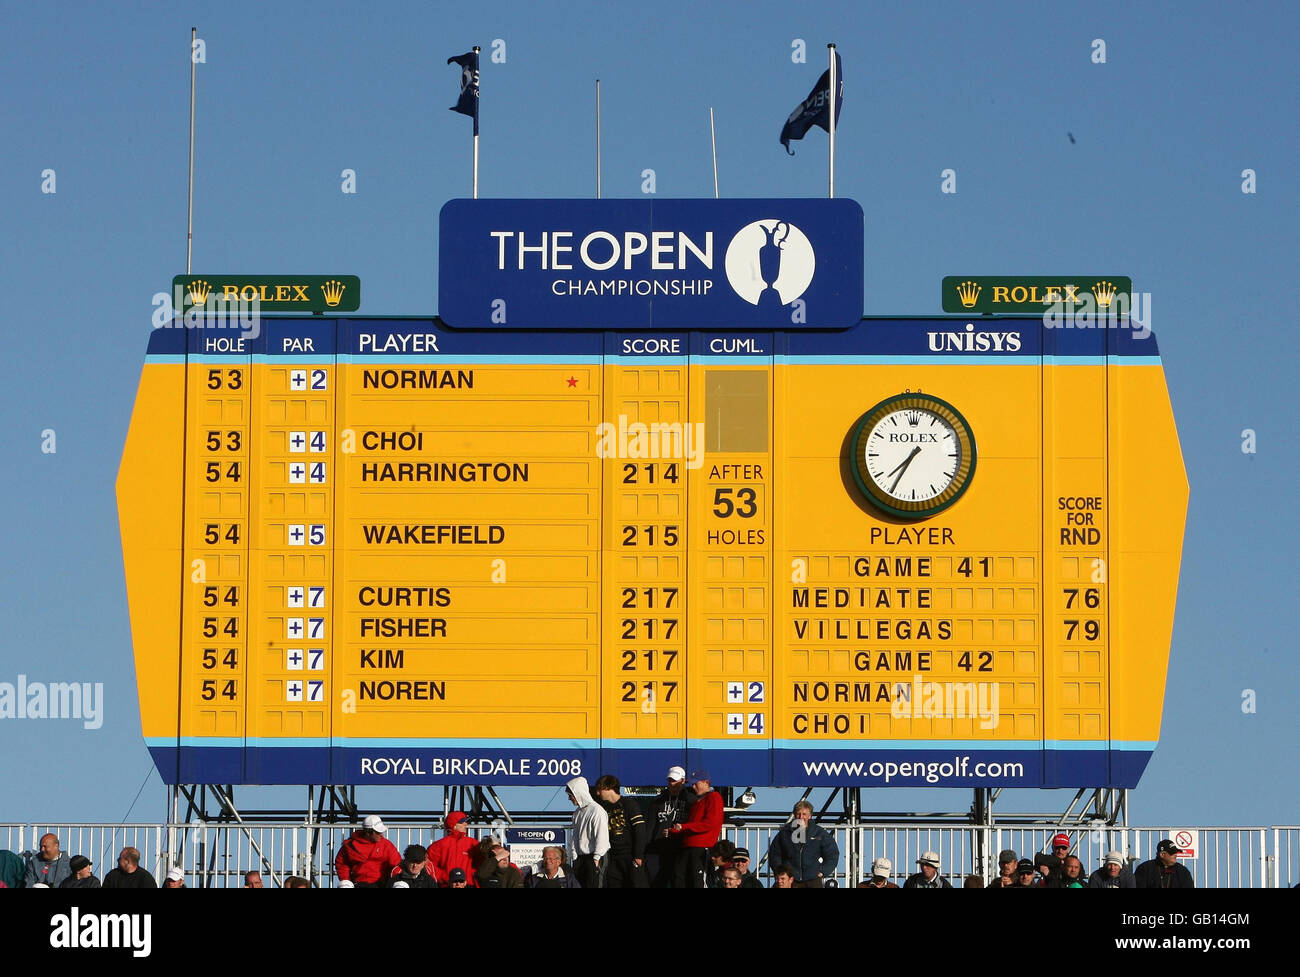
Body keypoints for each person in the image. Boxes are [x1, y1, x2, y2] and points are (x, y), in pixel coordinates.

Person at [765, 800, 839, 888]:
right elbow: (774, 854)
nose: (801, 817)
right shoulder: (785, 833)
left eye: (804, 814)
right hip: (792, 880)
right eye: (798, 814)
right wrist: (781, 872)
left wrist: (822, 871)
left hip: (813, 880)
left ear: (810, 815)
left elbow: (832, 854)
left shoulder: (819, 833)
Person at [669, 770, 723, 889]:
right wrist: (675, 832)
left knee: (697, 881)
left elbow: (710, 823)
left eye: (696, 783)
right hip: (687, 846)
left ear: (706, 782)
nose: (693, 787)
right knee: (679, 878)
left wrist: (684, 827)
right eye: (692, 784)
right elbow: (692, 824)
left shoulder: (714, 797)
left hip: (701, 848)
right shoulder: (696, 802)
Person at [593, 774, 649, 888]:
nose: (598, 793)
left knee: (637, 884)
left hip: (630, 855)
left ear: (608, 788)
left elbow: (639, 829)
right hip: (613, 856)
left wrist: (638, 855)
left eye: (600, 790)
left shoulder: (629, 804)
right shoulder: (604, 809)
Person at [644, 765, 693, 887]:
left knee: (678, 880)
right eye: (670, 780)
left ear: (683, 780)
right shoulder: (658, 801)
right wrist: (643, 849)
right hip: (658, 848)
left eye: (675, 780)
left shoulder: (690, 800)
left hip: (680, 849)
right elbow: (650, 827)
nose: (672, 784)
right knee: (657, 881)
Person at [334, 814, 401, 888]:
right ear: (368, 833)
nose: (381, 834)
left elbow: (397, 864)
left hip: (382, 884)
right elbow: (342, 864)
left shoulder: (386, 845)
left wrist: (392, 881)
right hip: (358, 884)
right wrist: (347, 881)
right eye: (378, 832)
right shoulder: (350, 846)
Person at [566, 776, 610, 889]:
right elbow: (575, 837)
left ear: (578, 793)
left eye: (570, 795)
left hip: (595, 857)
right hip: (581, 859)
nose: (569, 799)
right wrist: (574, 857)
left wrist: (596, 858)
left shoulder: (597, 810)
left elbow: (602, 837)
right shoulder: (577, 813)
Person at [427, 810, 478, 886]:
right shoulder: (438, 846)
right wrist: (445, 877)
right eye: (462, 822)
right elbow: (429, 864)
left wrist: (471, 876)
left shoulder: (473, 843)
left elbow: (481, 864)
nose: (465, 824)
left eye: (466, 822)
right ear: (453, 825)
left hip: (468, 885)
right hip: (447, 885)